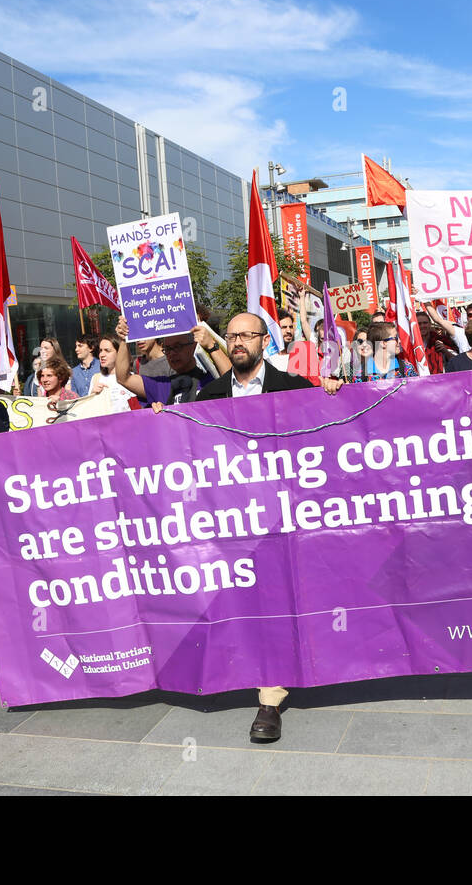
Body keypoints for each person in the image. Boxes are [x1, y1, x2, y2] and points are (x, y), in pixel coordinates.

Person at [194, 312, 337, 742]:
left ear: (263, 341)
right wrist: (161, 417)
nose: (238, 342)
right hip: (232, 520)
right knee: (247, 602)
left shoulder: (294, 389)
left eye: (246, 336)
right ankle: (255, 682)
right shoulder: (209, 395)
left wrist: (332, 394)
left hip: (284, 520)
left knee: (280, 601)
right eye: (232, 336)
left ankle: (269, 700)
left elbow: (326, 439)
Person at [113, 319, 229, 405]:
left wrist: (211, 346)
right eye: (168, 349)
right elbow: (124, 378)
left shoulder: (210, 381)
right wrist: (124, 339)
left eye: (178, 347)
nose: (172, 354)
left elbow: (233, 380)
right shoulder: (162, 385)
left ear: (193, 346)